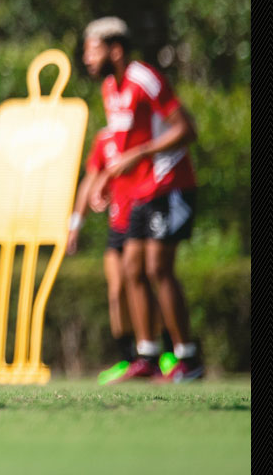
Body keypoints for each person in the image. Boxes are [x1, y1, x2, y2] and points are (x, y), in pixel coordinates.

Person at [82, 17, 205, 382]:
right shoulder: (109, 88)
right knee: (131, 270)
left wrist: (143, 153)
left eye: (93, 49)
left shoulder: (144, 79)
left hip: (170, 184)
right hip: (138, 191)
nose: (87, 57)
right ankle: (146, 356)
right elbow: (120, 153)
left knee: (157, 269)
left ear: (115, 50)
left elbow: (187, 129)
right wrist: (104, 180)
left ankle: (188, 358)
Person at [67, 119, 168, 383]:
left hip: (143, 218)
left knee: (145, 281)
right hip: (118, 225)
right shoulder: (104, 139)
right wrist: (75, 224)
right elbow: (91, 179)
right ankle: (128, 358)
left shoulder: (142, 138)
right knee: (117, 290)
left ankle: (164, 350)